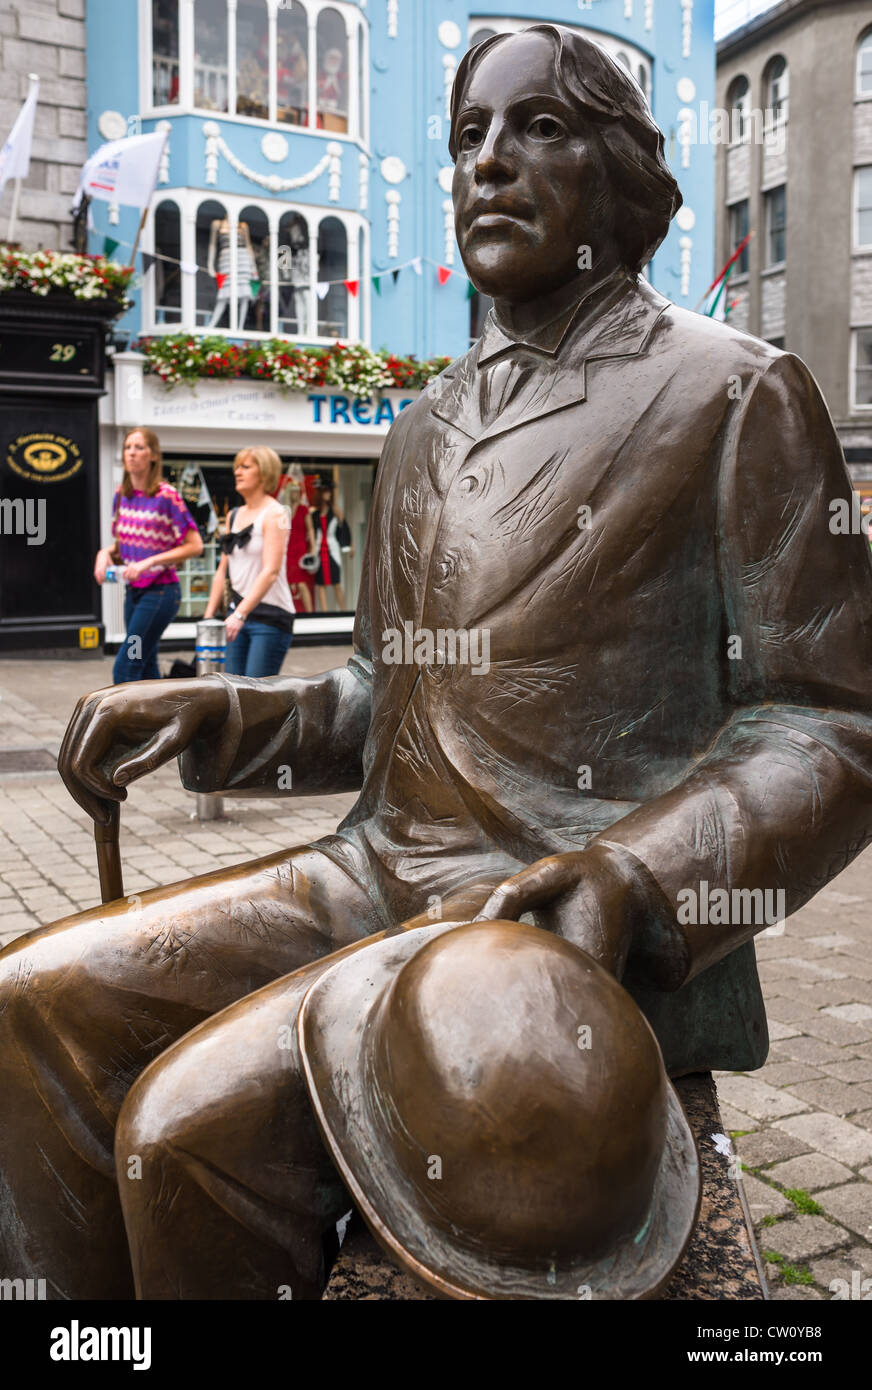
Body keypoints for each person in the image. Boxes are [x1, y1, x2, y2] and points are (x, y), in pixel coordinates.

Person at [4, 25, 872, 1301]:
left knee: (177, 1133)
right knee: (31, 1005)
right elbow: (377, 690)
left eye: (538, 130)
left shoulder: (732, 394)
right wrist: (225, 710)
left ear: (618, 174)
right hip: (370, 865)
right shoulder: (423, 425)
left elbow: (825, 723)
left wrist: (633, 879)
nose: (490, 166)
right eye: (469, 138)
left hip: (539, 913)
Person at [95, 427, 203, 684]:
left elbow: (195, 545)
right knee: (145, 667)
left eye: (139, 447)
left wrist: (150, 561)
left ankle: (126, 724)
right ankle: (163, 722)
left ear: (153, 455)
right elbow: (122, 544)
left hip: (160, 593)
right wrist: (104, 553)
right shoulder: (122, 496)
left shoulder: (166, 496)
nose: (132, 453)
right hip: (133, 594)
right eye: (128, 447)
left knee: (126, 666)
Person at [203, 446, 295, 677]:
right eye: (236, 467)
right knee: (232, 689)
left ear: (264, 474)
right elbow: (222, 569)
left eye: (245, 467)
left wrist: (240, 615)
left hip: (269, 616)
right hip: (237, 613)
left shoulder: (276, 513)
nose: (237, 472)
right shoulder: (234, 515)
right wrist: (207, 618)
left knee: (256, 697)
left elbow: (271, 571)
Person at [280, 475, 317, 613]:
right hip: (287, 549)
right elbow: (280, 530)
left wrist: (313, 548)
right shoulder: (284, 510)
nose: (295, 494)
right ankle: (288, 612)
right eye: (293, 491)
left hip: (300, 549)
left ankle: (309, 613)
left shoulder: (303, 509)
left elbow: (310, 529)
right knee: (287, 582)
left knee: (301, 583)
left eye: (297, 491)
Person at [313, 483, 352, 612]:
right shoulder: (314, 514)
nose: (328, 494)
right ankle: (323, 613)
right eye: (325, 492)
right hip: (319, 550)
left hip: (332, 550)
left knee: (336, 582)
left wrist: (350, 545)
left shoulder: (335, 510)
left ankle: (343, 611)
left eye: (329, 492)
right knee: (320, 584)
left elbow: (345, 527)